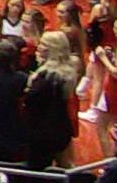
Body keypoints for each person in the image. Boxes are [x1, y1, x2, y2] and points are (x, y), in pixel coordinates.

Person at [23, 29, 82, 168]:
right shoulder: (66, 71)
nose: (38, 46)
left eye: (43, 44)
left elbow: (31, 102)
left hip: (44, 132)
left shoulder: (48, 77)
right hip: (60, 127)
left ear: (53, 49)